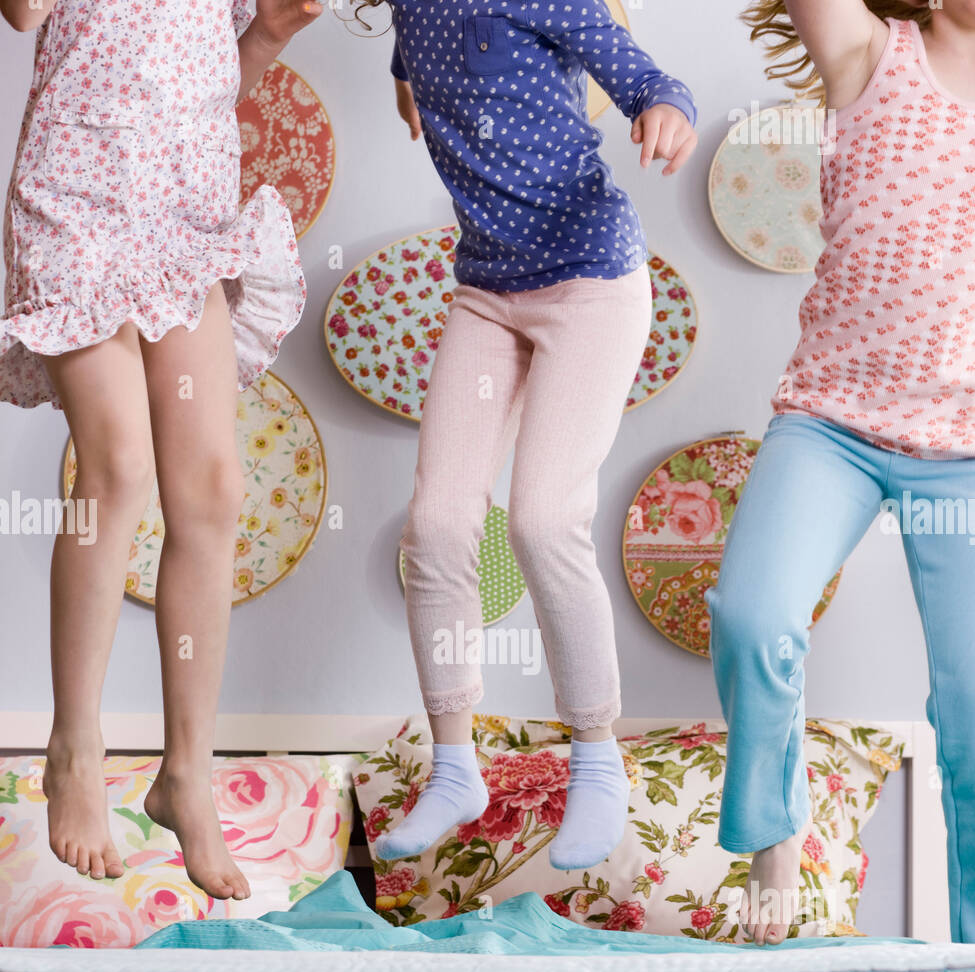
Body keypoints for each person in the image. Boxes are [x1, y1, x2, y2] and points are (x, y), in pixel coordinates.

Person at [354, 1, 697, 871]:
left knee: (542, 521)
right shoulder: (410, 10)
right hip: (487, 292)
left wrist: (664, 113)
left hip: (589, 284)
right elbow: (411, 66)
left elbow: (644, 77)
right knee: (434, 524)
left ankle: (595, 756)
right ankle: (455, 764)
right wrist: (408, 87)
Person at [0, 0, 321, 898]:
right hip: (77, 201)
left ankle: (186, 774)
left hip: (186, 208)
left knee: (213, 488)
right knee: (117, 467)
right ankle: (76, 744)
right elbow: (24, 15)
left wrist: (270, 34)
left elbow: (220, 79)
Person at [709, 0, 975, 943]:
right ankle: (772, 844)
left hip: (965, 457)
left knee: (972, 713)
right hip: (833, 425)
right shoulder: (869, 51)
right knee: (751, 615)